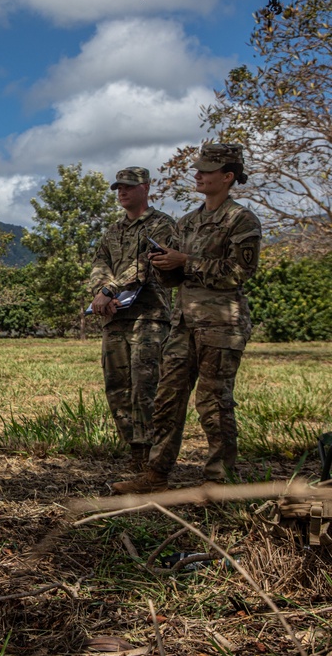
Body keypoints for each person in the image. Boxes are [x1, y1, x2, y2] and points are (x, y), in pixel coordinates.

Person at [112, 144, 261, 494]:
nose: (198, 174)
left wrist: (185, 261)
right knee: (167, 398)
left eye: (207, 170)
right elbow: (176, 278)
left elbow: (238, 273)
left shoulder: (241, 220)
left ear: (227, 176)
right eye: (198, 169)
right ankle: (156, 474)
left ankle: (217, 481)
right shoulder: (187, 222)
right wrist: (163, 265)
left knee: (214, 403)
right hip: (184, 322)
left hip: (221, 325)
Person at [89, 167, 176, 473]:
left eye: (128, 187)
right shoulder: (113, 231)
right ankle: (134, 451)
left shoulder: (162, 224)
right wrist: (103, 294)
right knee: (117, 386)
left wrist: (110, 288)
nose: (121, 192)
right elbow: (100, 263)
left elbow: (149, 263)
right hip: (115, 317)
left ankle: (152, 456)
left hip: (148, 318)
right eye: (118, 188)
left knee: (146, 386)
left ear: (145, 188)